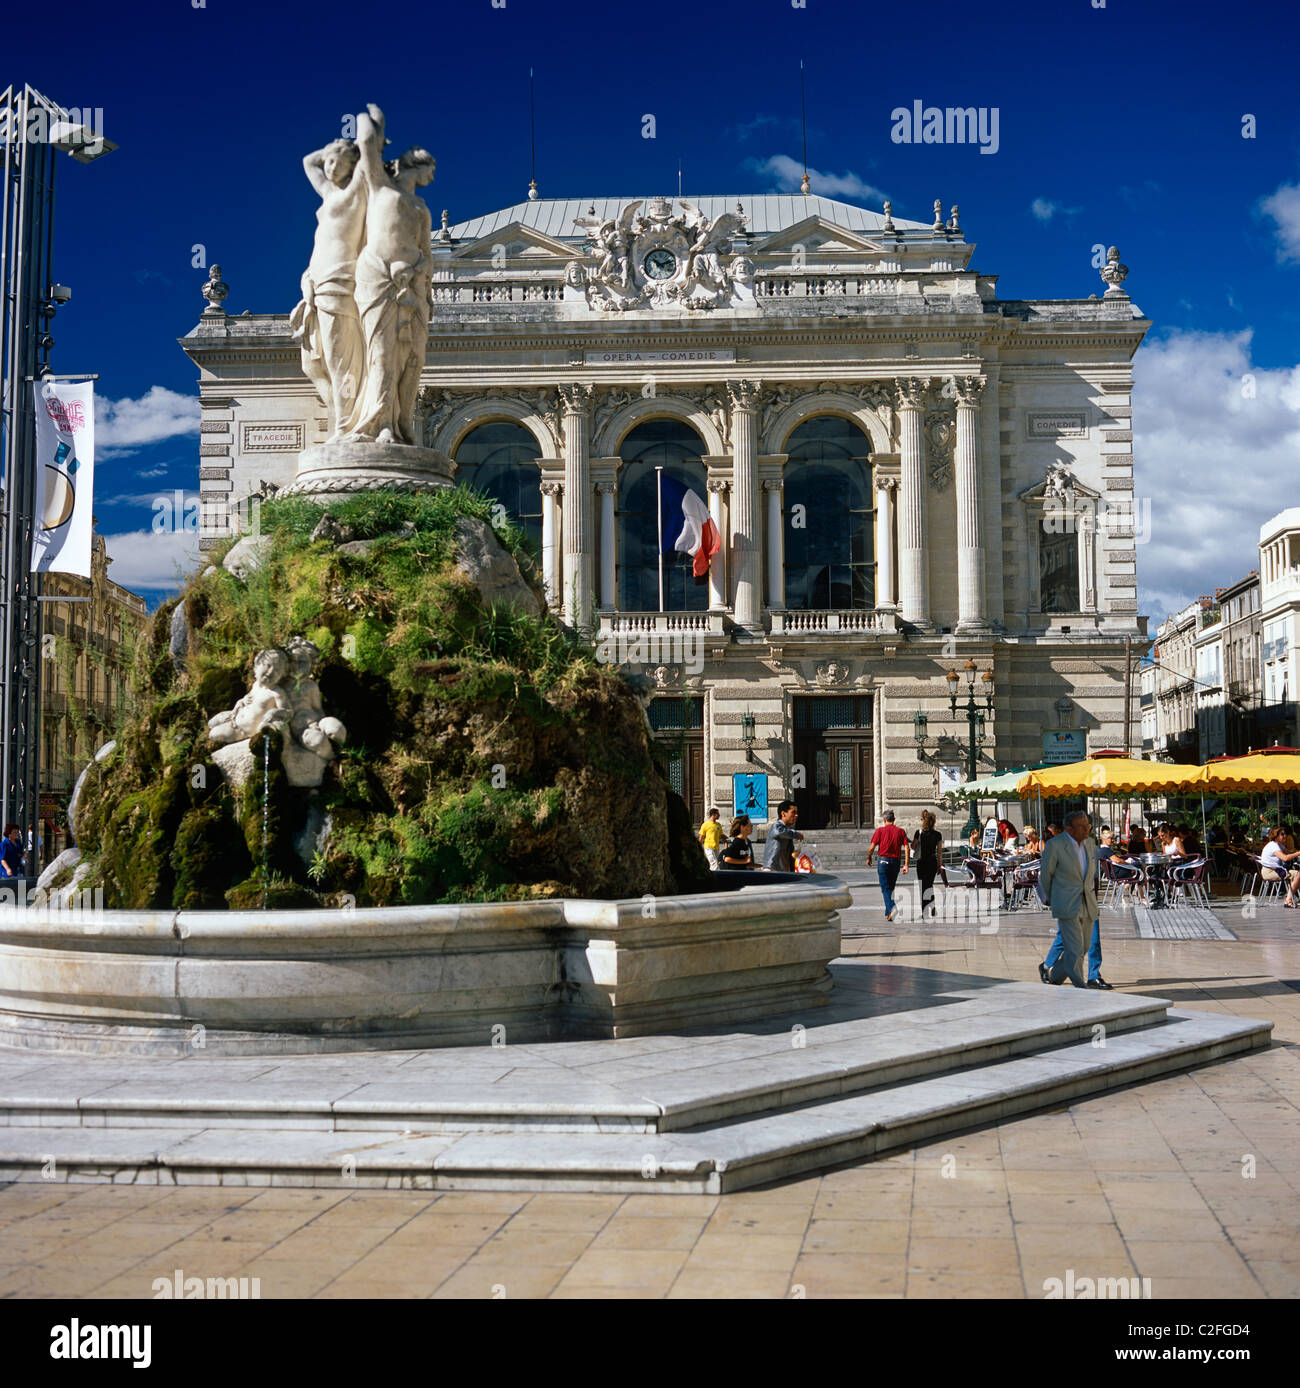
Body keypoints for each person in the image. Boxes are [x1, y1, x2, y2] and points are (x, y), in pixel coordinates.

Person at [1038, 810, 1109, 989]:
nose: (1087, 830)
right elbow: (1046, 876)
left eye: (1088, 826)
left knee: (1087, 942)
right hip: (1067, 901)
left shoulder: (1090, 844)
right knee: (1074, 945)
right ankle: (1083, 983)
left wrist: (1094, 894)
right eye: (1082, 826)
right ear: (1069, 829)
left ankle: (1054, 970)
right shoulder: (1055, 845)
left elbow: (1093, 873)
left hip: (1088, 899)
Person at [867, 809, 910, 922]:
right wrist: (906, 864)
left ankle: (892, 908)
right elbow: (906, 847)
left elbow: (872, 847)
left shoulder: (880, 831)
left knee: (885, 888)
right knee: (890, 888)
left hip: (883, 862)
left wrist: (869, 857)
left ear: (884, 820)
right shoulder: (900, 831)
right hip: (895, 862)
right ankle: (888, 913)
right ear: (894, 819)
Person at [913, 810, 944, 918]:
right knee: (929, 886)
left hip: (921, 862)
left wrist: (914, 841)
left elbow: (913, 847)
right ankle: (932, 906)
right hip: (932, 862)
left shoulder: (919, 832)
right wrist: (940, 866)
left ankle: (924, 912)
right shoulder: (938, 835)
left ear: (924, 821)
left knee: (923, 887)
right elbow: (939, 852)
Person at [1260, 827, 1300, 907]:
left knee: (1297, 874)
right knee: (1298, 875)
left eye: (1285, 833)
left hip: (1273, 870)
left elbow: (1289, 852)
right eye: (1282, 834)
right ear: (1276, 836)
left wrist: (1296, 852)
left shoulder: (1278, 845)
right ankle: (1289, 899)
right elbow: (1285, 858)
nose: (1285, 836)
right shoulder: (1273, 846)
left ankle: (1291, 898)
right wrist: (1298, 853)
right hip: (1270, 872)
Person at [763, 800, 803, 873]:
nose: (796, 815)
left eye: (796, 813)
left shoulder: (788, 829)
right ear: (783, 813)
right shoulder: (776, 826)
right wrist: (795, 834)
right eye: (793, 812)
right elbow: (779, 832)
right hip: (772, 870)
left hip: (783, 871)